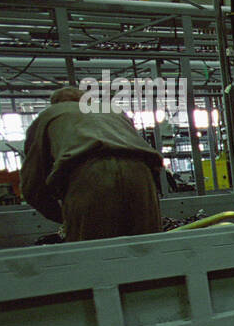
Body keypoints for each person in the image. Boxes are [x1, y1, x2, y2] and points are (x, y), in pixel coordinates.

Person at [20, 85, 164, 241]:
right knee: (149, 246)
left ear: (56, 103)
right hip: (141, 173)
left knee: (95, 252)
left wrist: (64, 217)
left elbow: (32, 181)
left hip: (90, 175)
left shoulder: (49, 114)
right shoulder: (113, 111)